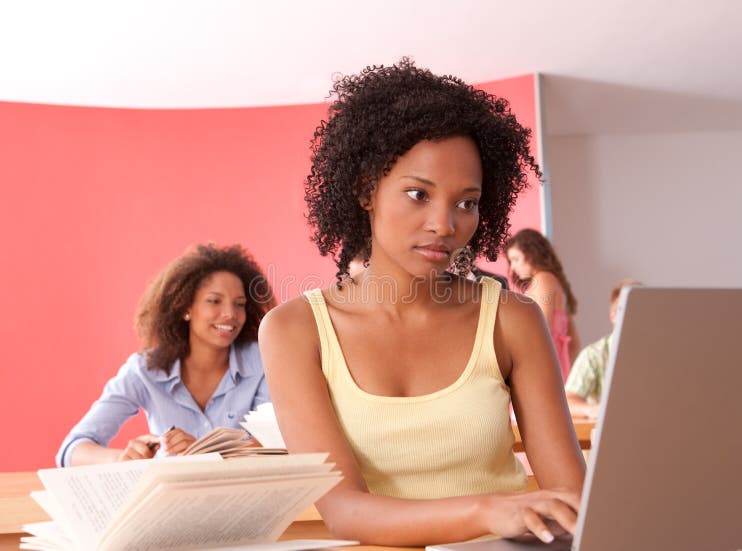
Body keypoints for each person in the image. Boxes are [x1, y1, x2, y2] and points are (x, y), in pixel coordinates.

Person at [259, 59, 585, 547]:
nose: (445, 224)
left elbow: (571, 496)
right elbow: (346, 511)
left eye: (466, 202)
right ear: (366, 190)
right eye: (418, 194)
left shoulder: (511, 320)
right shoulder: (293, 330)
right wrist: (489, 510)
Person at [57, 243, 275, 467]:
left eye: (239, 304)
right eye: (214, 301)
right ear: (185, 307)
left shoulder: (264, 361)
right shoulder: (145, 370)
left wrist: (203, 452)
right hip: (174, 498)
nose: (230, 314)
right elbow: (71, 450)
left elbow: (276, 445)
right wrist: (122, 458)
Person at [505, 229, 580, 381]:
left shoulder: (543, 280)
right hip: (554, 368)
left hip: (541, 371)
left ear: (532, 254)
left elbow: (540, 331)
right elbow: (574, 343)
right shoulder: (553, 282)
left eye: (516, 259)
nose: (512, 267)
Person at [566, 278, 641, 420]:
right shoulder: (594, 355)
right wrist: (592, 410)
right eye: (626, 309)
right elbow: (567, 403)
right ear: (613, 316)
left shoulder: (658, 355)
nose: (634, 316)